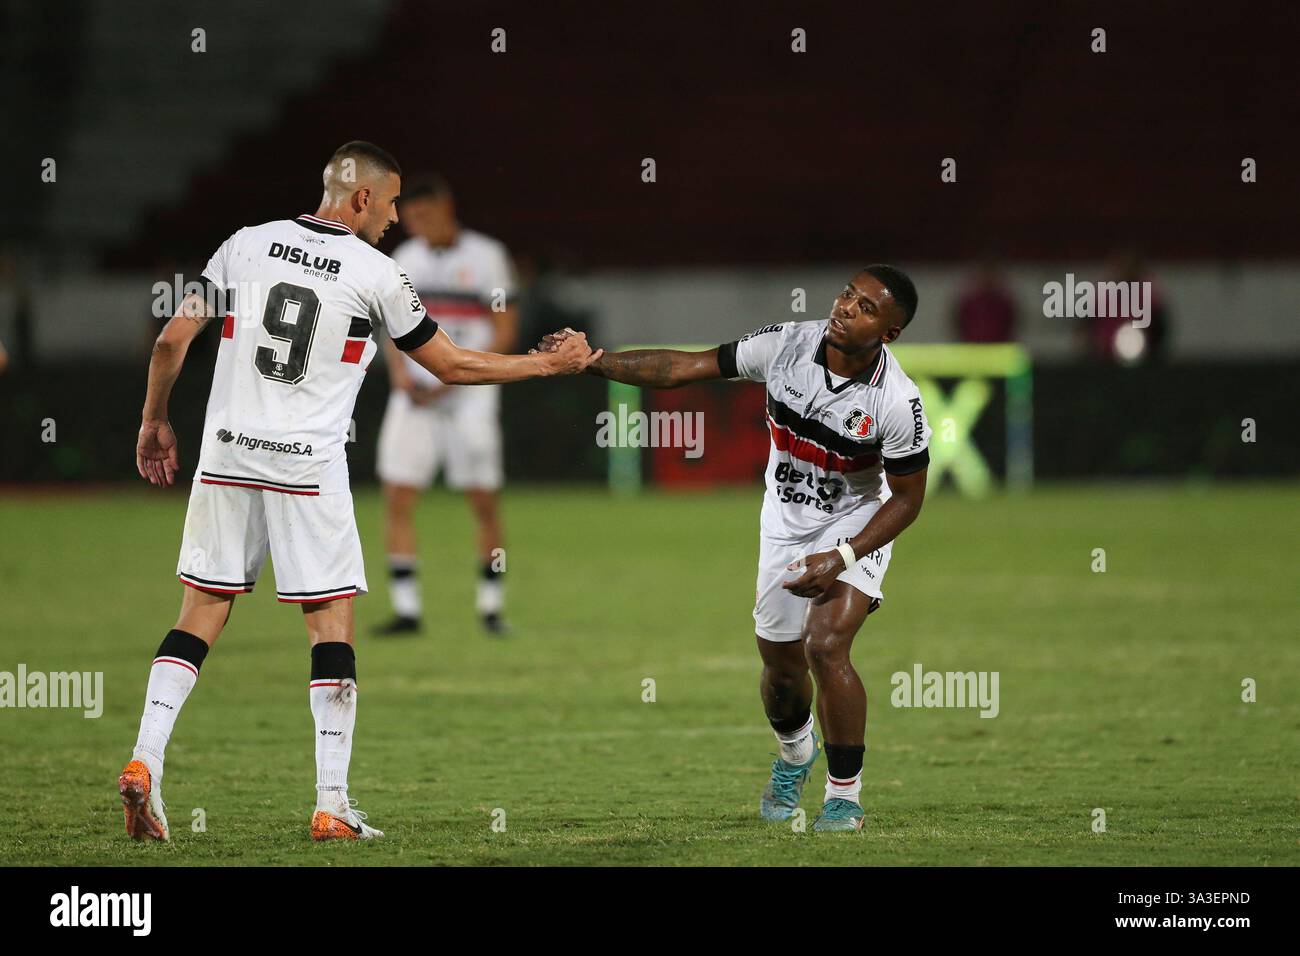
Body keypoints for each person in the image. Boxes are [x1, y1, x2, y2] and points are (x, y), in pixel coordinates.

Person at [124, 141, 597, 843]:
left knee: (200, 611)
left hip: (226, 456)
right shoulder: (378, 273)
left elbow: (170, 342)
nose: (397, 215)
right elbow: (454, 365)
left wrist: (154, 420)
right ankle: (331, 803)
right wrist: (544, 367)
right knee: (331, 626)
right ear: (361, 198)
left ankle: (144, 761)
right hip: (308, 468)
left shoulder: (244, 245)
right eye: (392, 200)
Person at [537, 266, 929, 832]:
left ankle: (845, 797)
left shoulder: (897, 401)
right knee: (781, 666)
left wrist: (842, 557)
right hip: (785, 523)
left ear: (888, 334)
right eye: (848, 293)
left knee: (826, 645)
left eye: (867, 308)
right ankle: (795, 756)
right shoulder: (787, 345)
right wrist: (594, 361)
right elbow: (686, 367)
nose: (846, 307)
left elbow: (909, 499)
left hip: (856, 522)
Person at [374, 174, 517, 636]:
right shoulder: (405, 259)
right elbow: (392, 334)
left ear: (446, 208)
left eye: (423, 215)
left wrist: (459, 378)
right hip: (414, 396)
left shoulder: (486, 256)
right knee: (398, 495)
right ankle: (407, 610)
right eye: (409, 218)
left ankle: (491, 608)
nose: (415, 225)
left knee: (482, 501)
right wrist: (401, 378)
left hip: (470, 395)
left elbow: (505, 328)